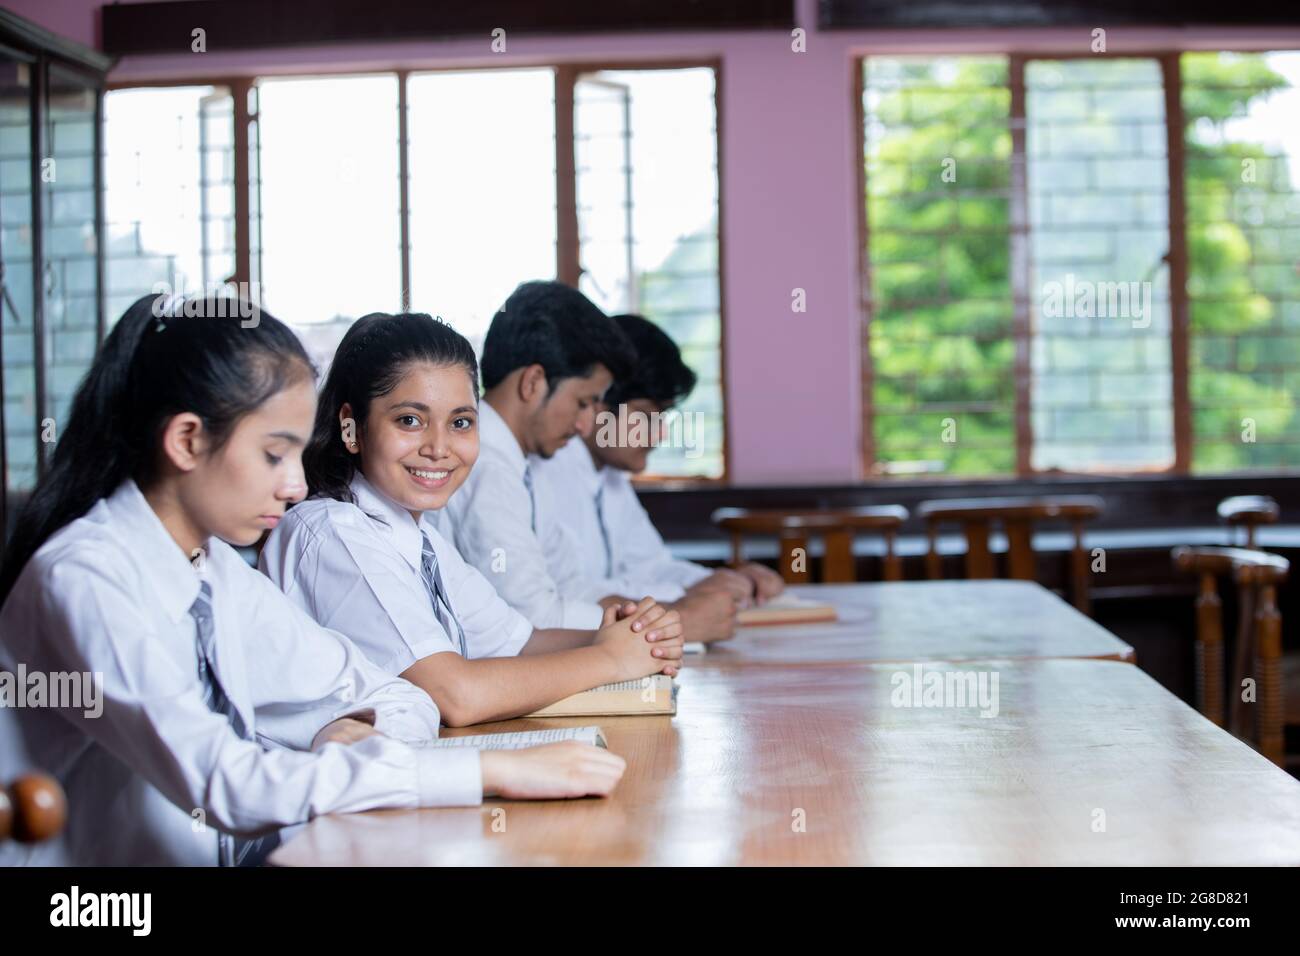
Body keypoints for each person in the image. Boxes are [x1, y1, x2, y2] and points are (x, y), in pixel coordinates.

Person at [0, 294, 625, 867]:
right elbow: (225, 783)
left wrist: (335, 729)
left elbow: (400, 698)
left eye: (298, 454)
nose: (297, 484)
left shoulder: (211, 570)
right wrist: (489, 773)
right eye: (274, 454)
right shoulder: (85, 579)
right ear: (188, 440)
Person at [260, 311, 684, 728]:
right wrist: (610, 658)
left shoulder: (416, 535)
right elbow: (456, 696)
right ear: (352, 427)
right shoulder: (334, 533)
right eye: (410, 420)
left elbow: (519, 642)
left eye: (461, 422)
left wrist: (630, 634)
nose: (439, 447)